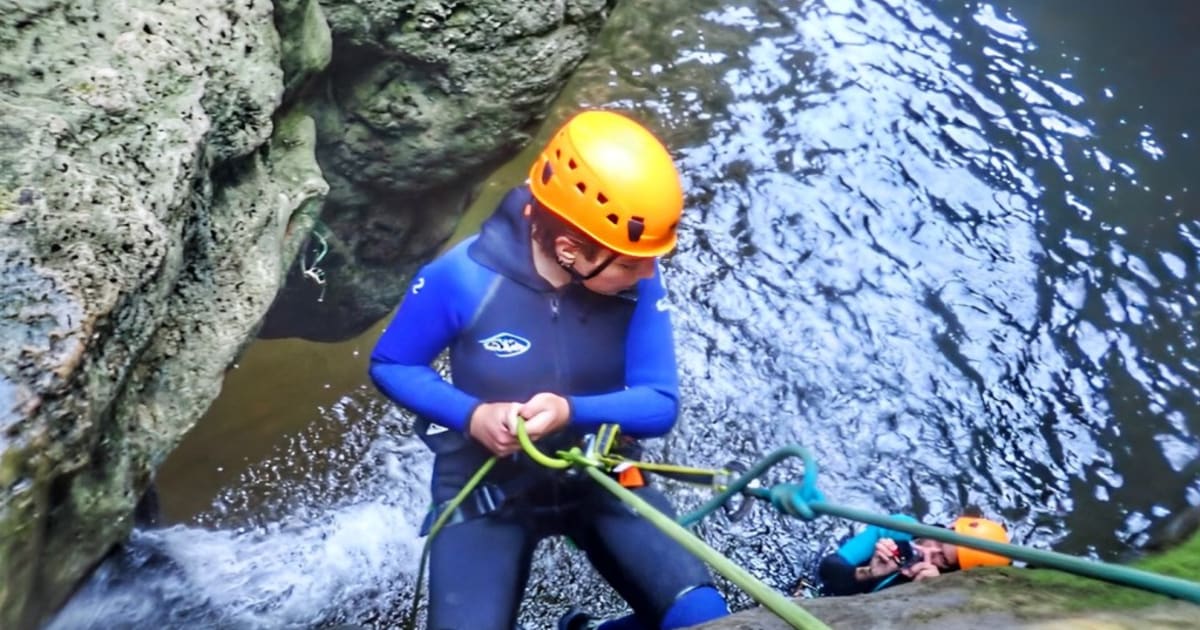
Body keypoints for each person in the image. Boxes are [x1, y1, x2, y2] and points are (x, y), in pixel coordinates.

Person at [369, 110, 729, 630]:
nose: (649, 271)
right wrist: (473, 416)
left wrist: (569, 411)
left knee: (702, 618)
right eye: (629, 262)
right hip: (487, 491)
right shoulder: (464, 278)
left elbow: (659, 403)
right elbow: (393, 363)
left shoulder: (639, 282)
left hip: (598, 471)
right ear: (568, 249)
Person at [815, 512, 1011, 596]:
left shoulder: (939, 586)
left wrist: (924, 592)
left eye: (943, 559)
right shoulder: (899, 527)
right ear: (949, 527)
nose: (929, 551)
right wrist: (869, 573)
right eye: (939, 541)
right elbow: (828, 569)